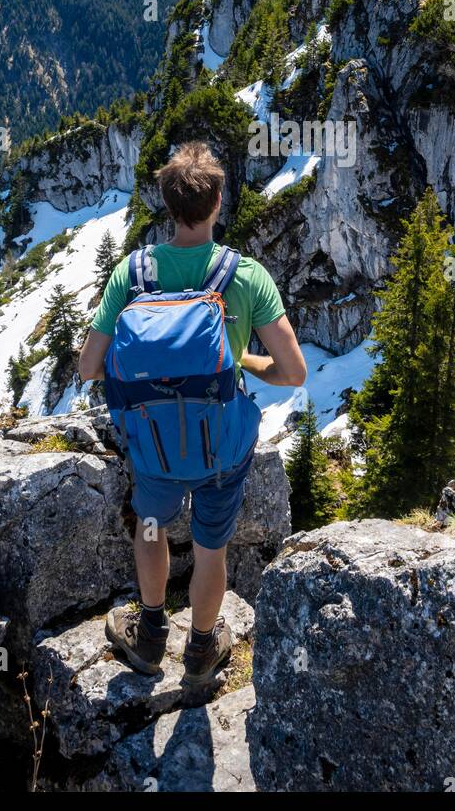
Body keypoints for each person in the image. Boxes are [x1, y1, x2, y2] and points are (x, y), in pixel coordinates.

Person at [78, 141, 306, 684]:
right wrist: (243, 360)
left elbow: (89, 367)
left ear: (167, 205)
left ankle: (151, 633)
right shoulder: (245, 276)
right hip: (220, 450)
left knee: (152, 528)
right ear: (218, 202)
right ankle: (202, 651)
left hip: (153, 447)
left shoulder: (131, 274)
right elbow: (293, 372)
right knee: (211, 547)